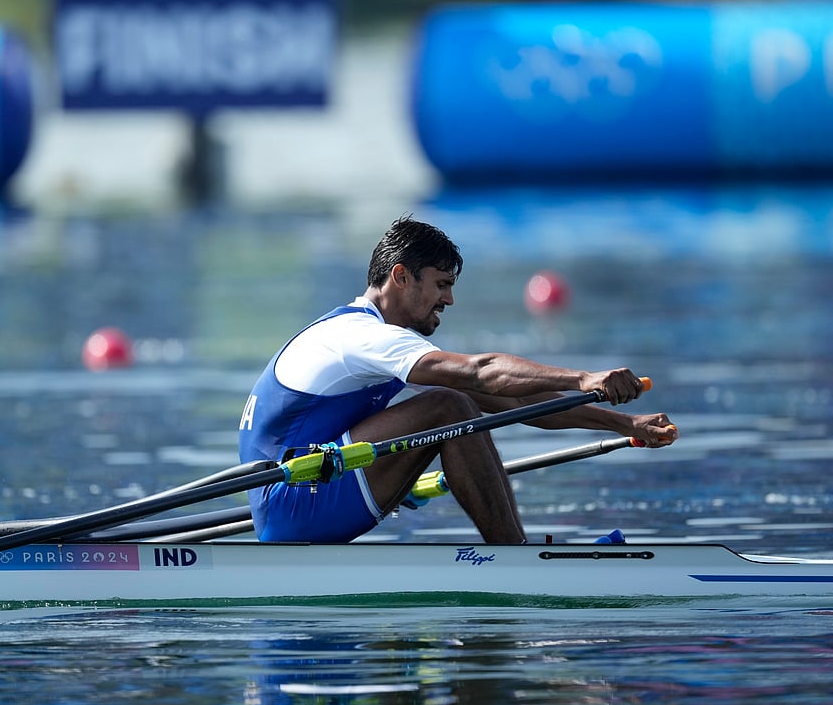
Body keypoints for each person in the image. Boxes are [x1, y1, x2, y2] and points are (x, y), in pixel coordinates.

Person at [237, 216, 678, 544]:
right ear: (400, 276)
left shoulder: (365, 340)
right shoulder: (360, 336)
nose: (448, 298)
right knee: (447, 406)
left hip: (306, 494)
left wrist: (624, 425)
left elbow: (502, 397)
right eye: (441, 284)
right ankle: (514, 557)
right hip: (296, 504)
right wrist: (584, 377)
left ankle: (513, 554)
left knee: (456, 402)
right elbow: (481, 371)